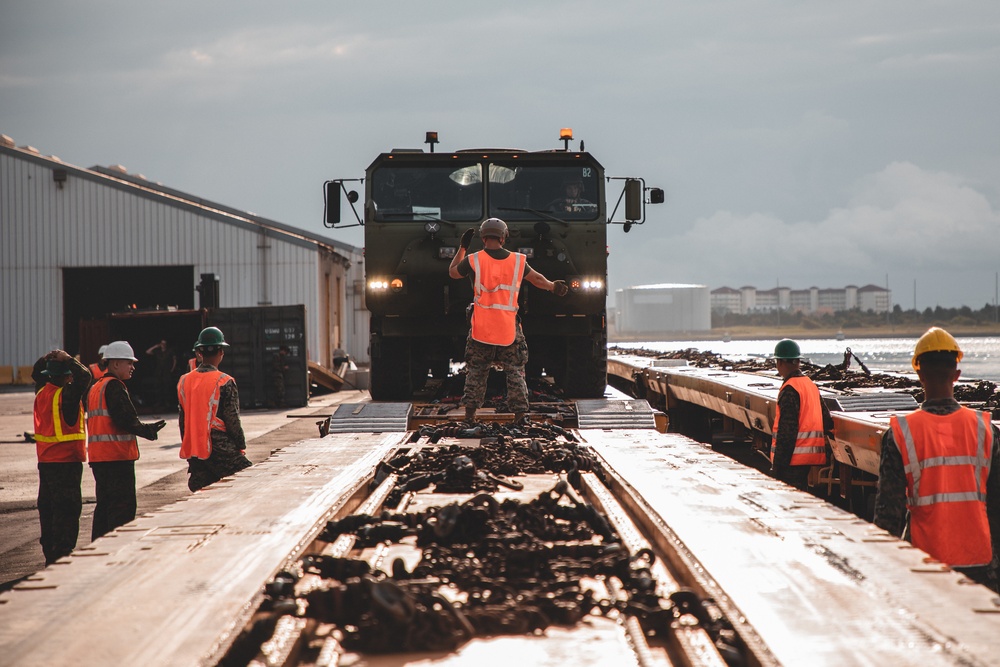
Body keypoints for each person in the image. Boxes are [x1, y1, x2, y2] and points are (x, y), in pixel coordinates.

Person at [873, 327, 999, 592]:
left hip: (924, 561)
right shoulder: (986, 430)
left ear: (919, 375)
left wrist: (883, 571)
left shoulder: (900, 433)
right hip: (980, 561)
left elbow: (889, 514)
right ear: (957, 375)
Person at [448, 217, 569, 424]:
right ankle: (521, 416)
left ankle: (470, 416)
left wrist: (462, 247)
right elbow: (537, 279)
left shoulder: (474, 259)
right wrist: (552, 286)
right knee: (515, 371)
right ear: (504, 237)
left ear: (483, 237)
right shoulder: (518, 261)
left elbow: (452, 272)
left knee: (477, 371)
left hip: (481, 328)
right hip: (508, 328)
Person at [86, 341, 166, 540]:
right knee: (121, 509)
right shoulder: (114, 387)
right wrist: (147, 430)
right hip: (116, 459)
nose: (133, 367)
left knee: (104, 507)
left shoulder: (96, 387)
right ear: (114, 364)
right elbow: (125, 419)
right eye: (128, 363)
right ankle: (118, 551)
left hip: (99, 459)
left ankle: (98, 548)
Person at [31, 349, 91, 564]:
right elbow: (86, 377)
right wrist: (68, 359)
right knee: (67, 510)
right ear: (68, 376)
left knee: (48, 509)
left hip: (46, 463)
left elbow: (36, 374)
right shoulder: (66, 395)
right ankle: (62, 556)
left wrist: (48, 358)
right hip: (67, 463)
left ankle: (50, 554)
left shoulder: (41, 392)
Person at [177, 327, 252, 492]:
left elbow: (182, 422)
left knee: (204, 488)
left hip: (196, 449)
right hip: (219, 447)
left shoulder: (184, 381)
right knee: (251, 477)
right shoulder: (224, 381)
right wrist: (240, 445)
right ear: (221, 352)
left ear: (200, 352)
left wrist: (190, 449)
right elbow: (232, 420)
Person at [770, 338, 834, 491]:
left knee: (790, 500)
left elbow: (787, 432)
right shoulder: (810, 385)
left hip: (791, 461)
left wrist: (777, 467)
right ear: (798, 362)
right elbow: (827, 421)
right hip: (807, 459)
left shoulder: (790, 389)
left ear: (780, 363)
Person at [145, 339, 177, 409]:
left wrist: (172, 369)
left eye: (164, 344)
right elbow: (147, 352)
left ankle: (167, 402)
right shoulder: (158, 351)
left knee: (167, 386)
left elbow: (174, 360)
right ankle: (159, 402)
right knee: (158, 386)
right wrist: (155, 346)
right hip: (159, 371)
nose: (163, 345)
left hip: (167, 371)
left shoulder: (169, 351)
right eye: (162, 344)